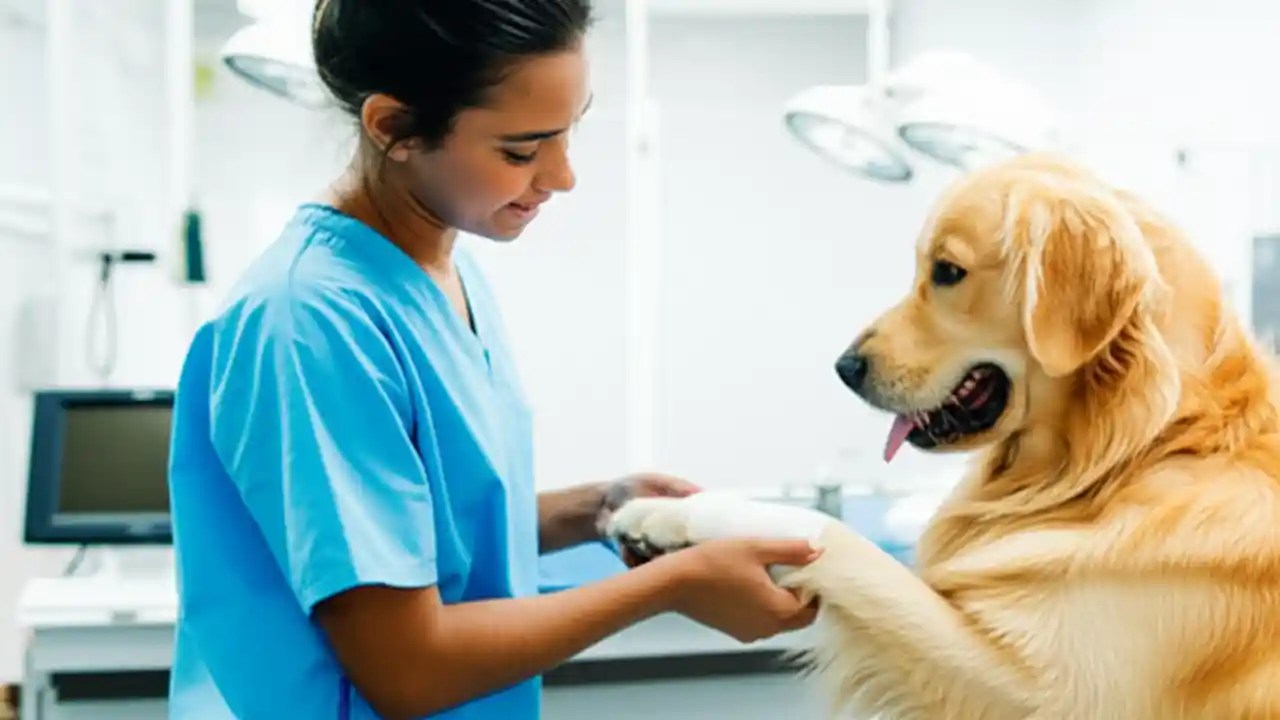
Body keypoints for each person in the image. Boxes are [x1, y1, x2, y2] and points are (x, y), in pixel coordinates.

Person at [165, 1, 821, 718]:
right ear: (394, 129)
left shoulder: (444, 269)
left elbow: (420, 533)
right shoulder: (309, 320)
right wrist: (675, 585)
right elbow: (407, 667)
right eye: (521, 151)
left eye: (569, 133)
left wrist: (593, 510)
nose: (564, 176)